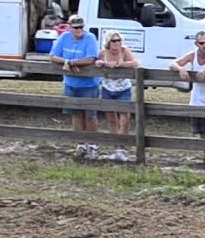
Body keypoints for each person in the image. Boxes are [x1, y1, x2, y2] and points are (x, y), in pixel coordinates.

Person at [49, 14, 102, 159]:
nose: (79, 30)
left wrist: (72, 63)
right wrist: (67, 61)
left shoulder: (90, 38)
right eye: (75, 27)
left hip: (89, 84)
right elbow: (53, 56)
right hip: (70, 82)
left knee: (90, 115)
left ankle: (93, 145)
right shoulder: (65, 37)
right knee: (76, 114)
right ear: (70, 27)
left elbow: (91, 58)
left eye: (81, 27)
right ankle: (80, 144)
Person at [170, 31, 205, 165]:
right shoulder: (192, 55)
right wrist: (180, 69)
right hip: (197, 98)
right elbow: (173, 63)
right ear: (196, 44)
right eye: (202, 43)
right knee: (202, 131)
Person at [94, 31, 139, 162]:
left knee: (125, 119)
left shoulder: (125, 51)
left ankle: (122, 148)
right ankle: (115, 148)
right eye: (114, 41)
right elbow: (98, 62)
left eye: (119, 40)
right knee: (112, 120)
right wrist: (101, 63)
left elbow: (135, 62)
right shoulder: (103, 52)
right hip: (108, 88)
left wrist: (120, 64)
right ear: (108, 42)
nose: (117, 43)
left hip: (123, 88)